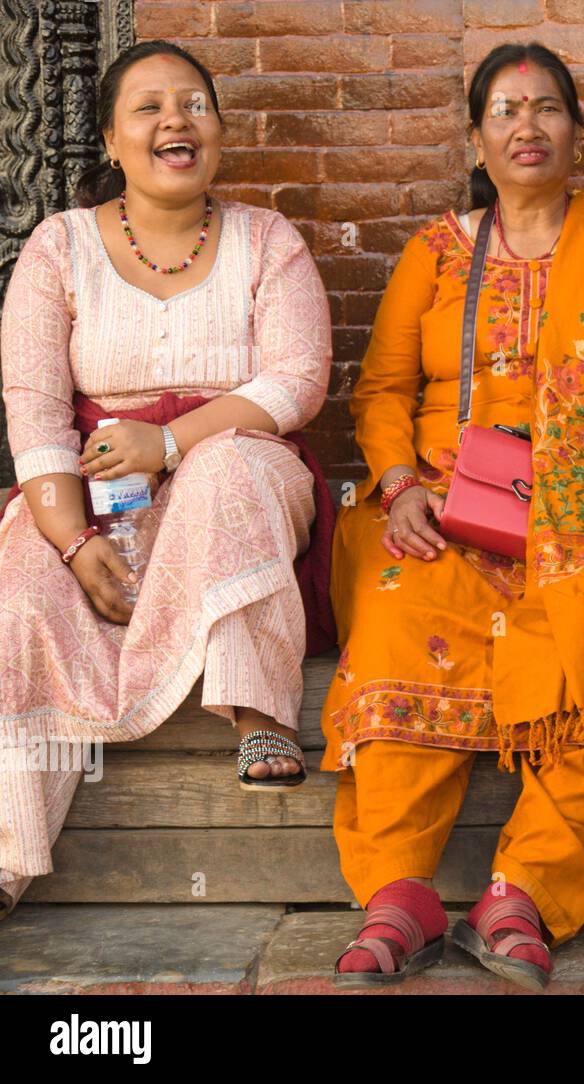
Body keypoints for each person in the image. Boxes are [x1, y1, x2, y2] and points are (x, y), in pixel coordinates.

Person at [322, 42, 584, 990]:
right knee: (398, 608)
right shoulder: (436, 251)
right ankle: (400, 893)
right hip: (445, 507)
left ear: (580, 132)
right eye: (504, 110)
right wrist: (400, 488)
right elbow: (382, 390)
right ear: (476, 139)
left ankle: (524, 891)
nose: (526, 126)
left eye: (546, 108)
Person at [0, 41, 334, 916]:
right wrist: (73, 543)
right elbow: (35, 409)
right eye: (148, 107)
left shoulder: (268, 239)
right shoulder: (58, 247)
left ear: (217, 130)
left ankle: (258, 709)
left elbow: (298, 381)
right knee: (22, 585)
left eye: (193, 104)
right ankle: (5, 851)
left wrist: (171, 443)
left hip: (239, 470)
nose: (175, 120)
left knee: (225, 469)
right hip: (94, 495)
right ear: (111, 141)